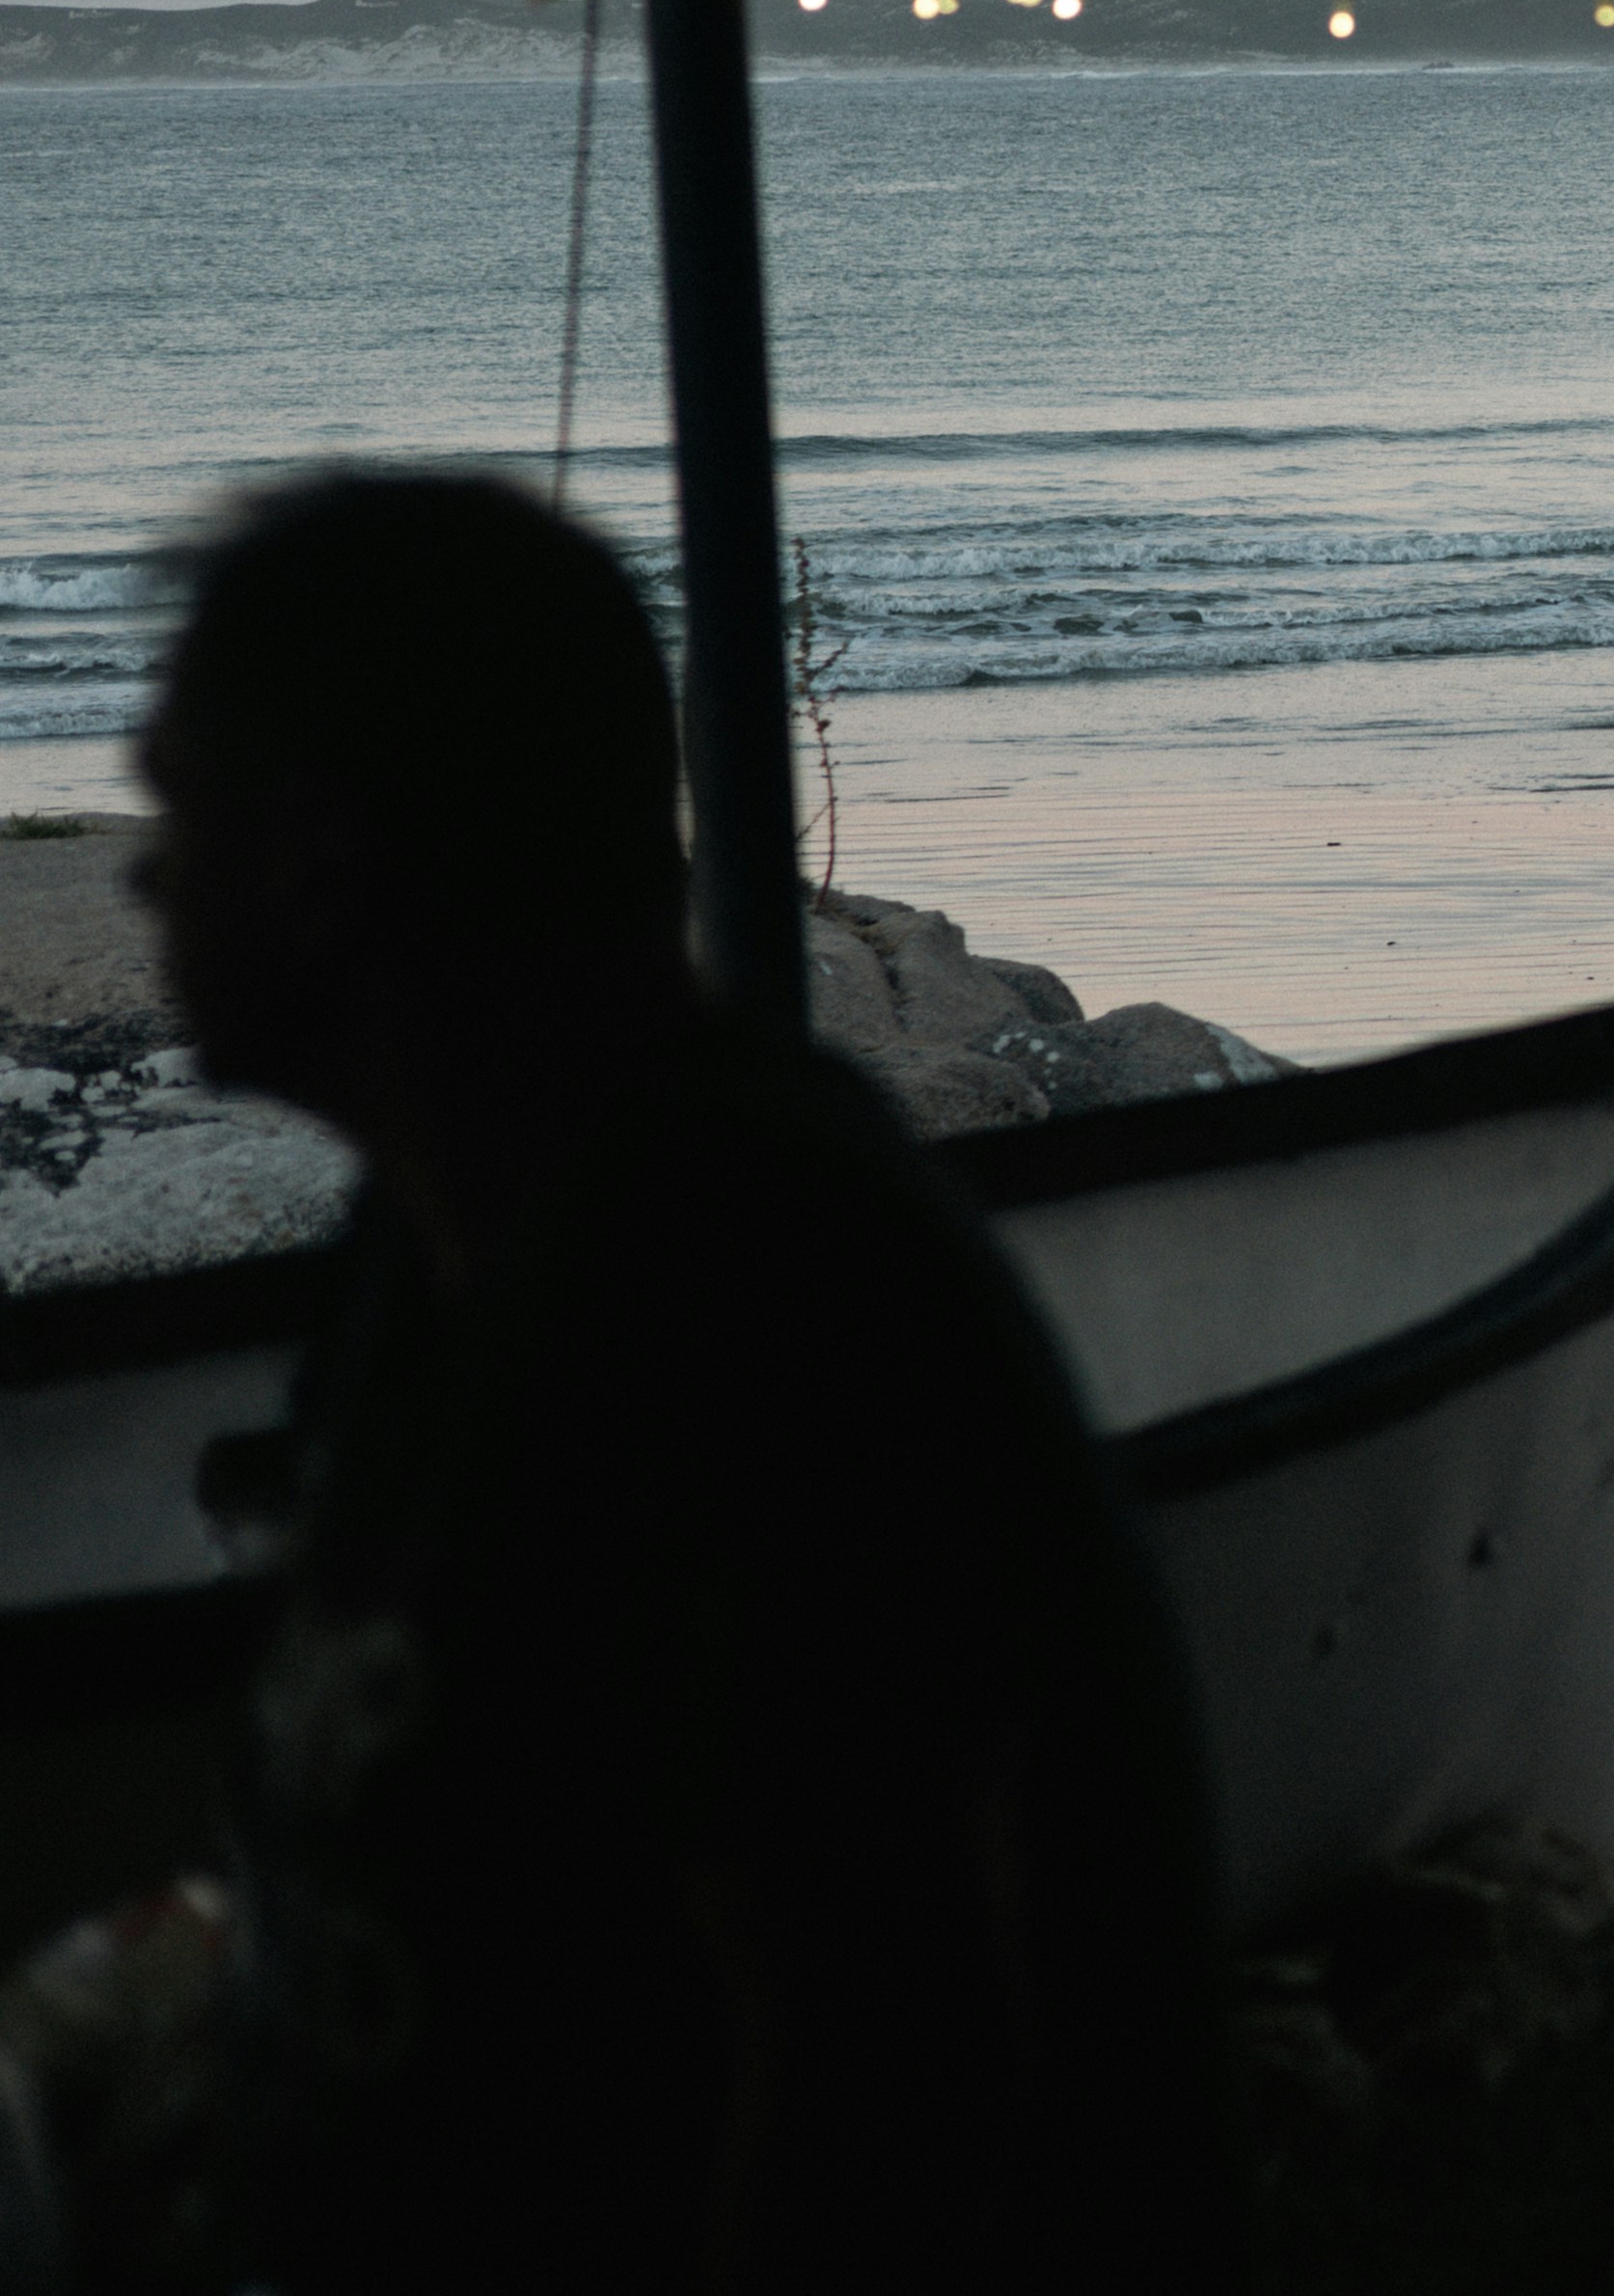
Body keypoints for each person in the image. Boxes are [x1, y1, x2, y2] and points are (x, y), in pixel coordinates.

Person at [121, 470, 1231, 2290]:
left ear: (318, 856)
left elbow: (882, 2051)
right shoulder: (442, 1244)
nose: (146, 874)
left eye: (175, 803)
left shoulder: (740, 1280)